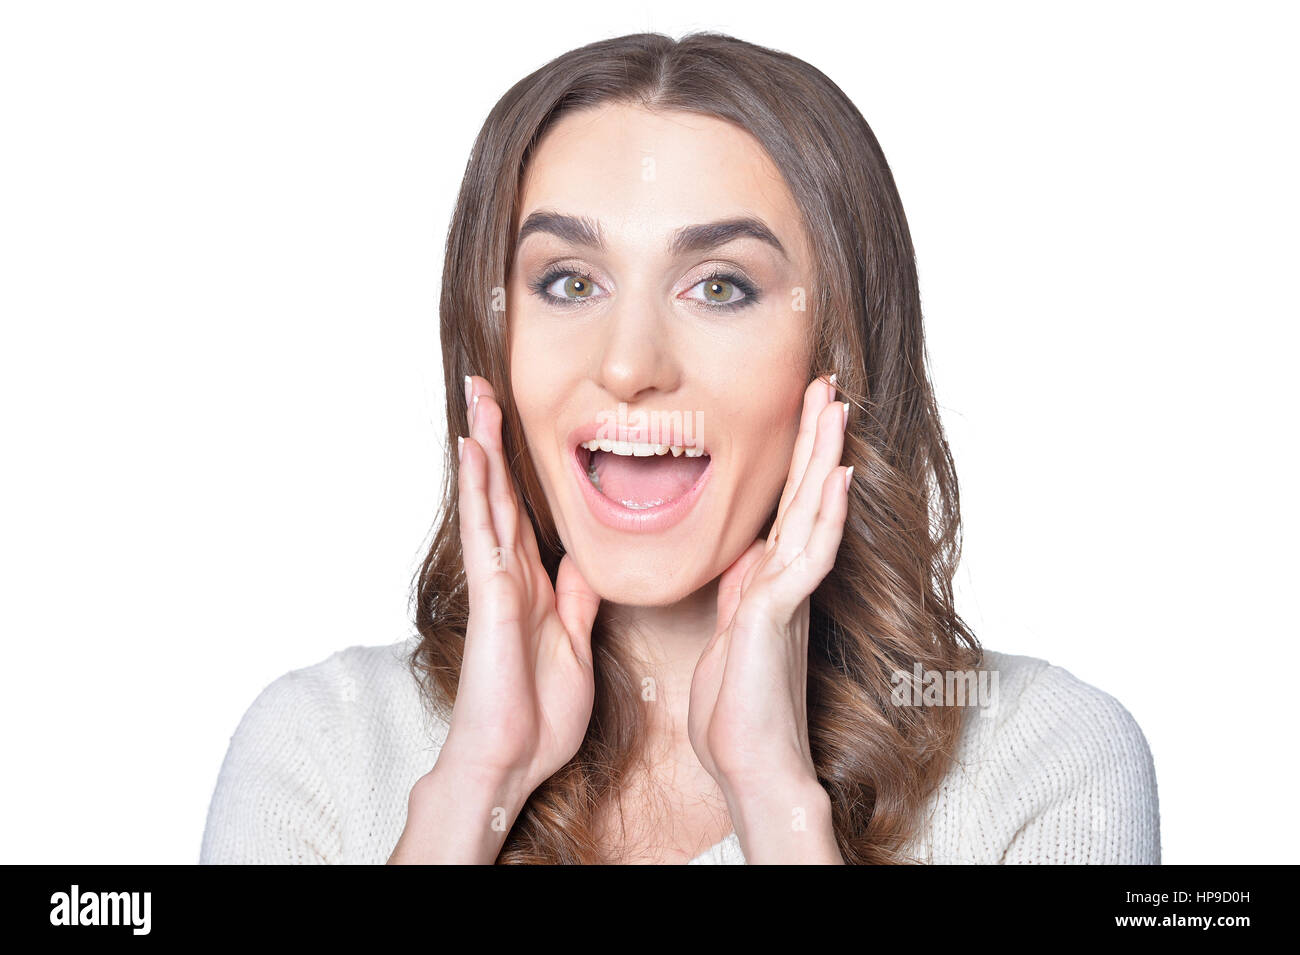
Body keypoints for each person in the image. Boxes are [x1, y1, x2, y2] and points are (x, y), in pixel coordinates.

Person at [200, 31, 1160, 865]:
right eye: (570, 282)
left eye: (721, 287)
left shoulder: (1042, 759)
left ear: (839, 358)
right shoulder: (318, 749)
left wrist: (777, 803)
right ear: (491, 341)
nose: (628, 365)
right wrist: (474, 784)